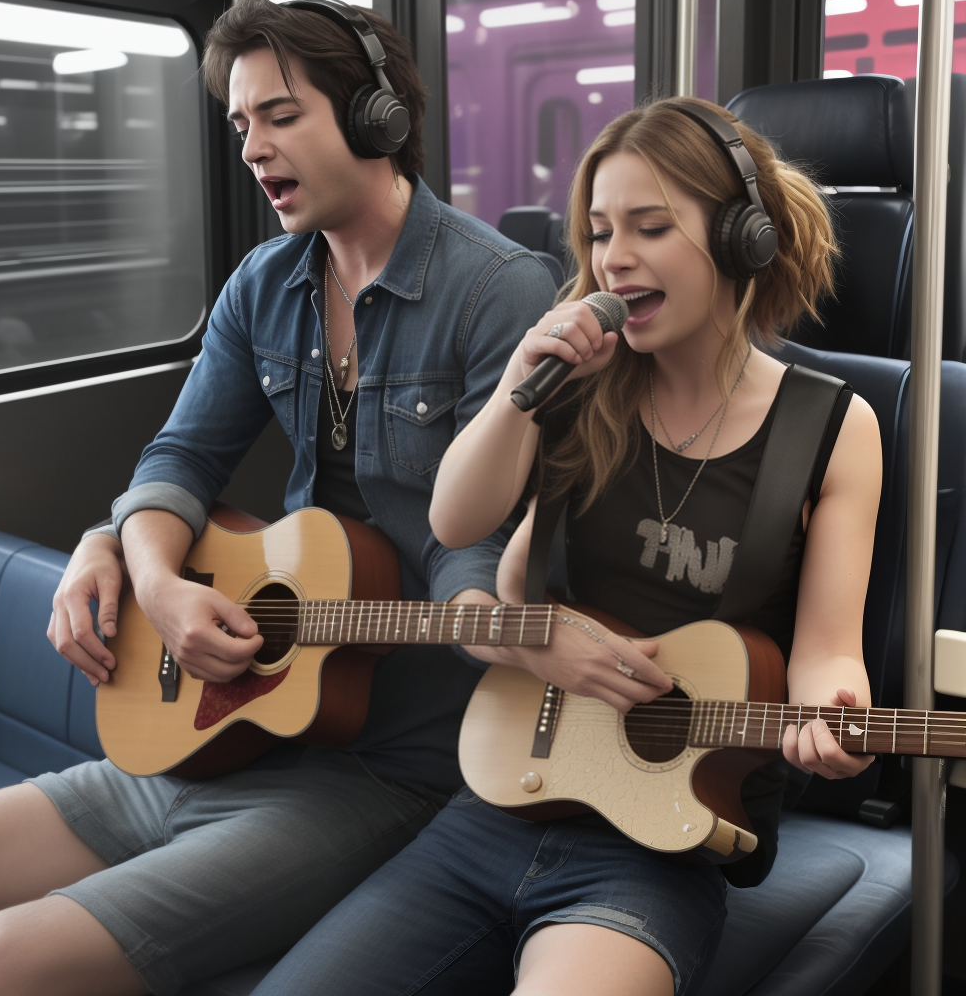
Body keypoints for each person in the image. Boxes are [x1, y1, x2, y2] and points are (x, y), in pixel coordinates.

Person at [0, 0, 556, 996]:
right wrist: (151, 575)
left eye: (280, 115)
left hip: (386, 768)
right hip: (217, 727)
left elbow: (475, 550)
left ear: (375, 116)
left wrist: (485, 611)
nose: (253, 149)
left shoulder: (499, 294)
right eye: (239, 125)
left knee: (3, 959)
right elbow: (178, 459)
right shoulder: (261, 285)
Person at [241, 97, 882, 996]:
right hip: (500, 796)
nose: (613, 258)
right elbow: (456, 524)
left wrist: (837, 718)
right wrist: (517, 385)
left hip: (661, 841)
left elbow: (825, 656)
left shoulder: (833, 426)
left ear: (742, 239)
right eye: (600, 232)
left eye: (650, 228)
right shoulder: (580, 388)